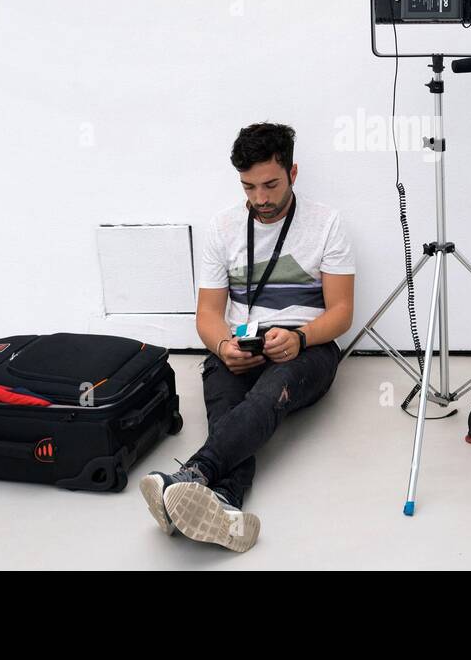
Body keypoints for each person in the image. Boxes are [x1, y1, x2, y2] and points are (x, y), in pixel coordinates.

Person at [140, 122, 355, 552]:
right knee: (227, 404)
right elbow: (208, 314)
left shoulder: (327, 223)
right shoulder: (222, 228)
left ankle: (191, 475)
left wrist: (299, 338)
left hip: (307, 347)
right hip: (240, 343)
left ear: (293, 173)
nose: (260, 199)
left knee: (264, 398)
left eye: (271, 184)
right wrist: (223, 346)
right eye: (248, 187)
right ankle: (226, 505)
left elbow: (342, 312)